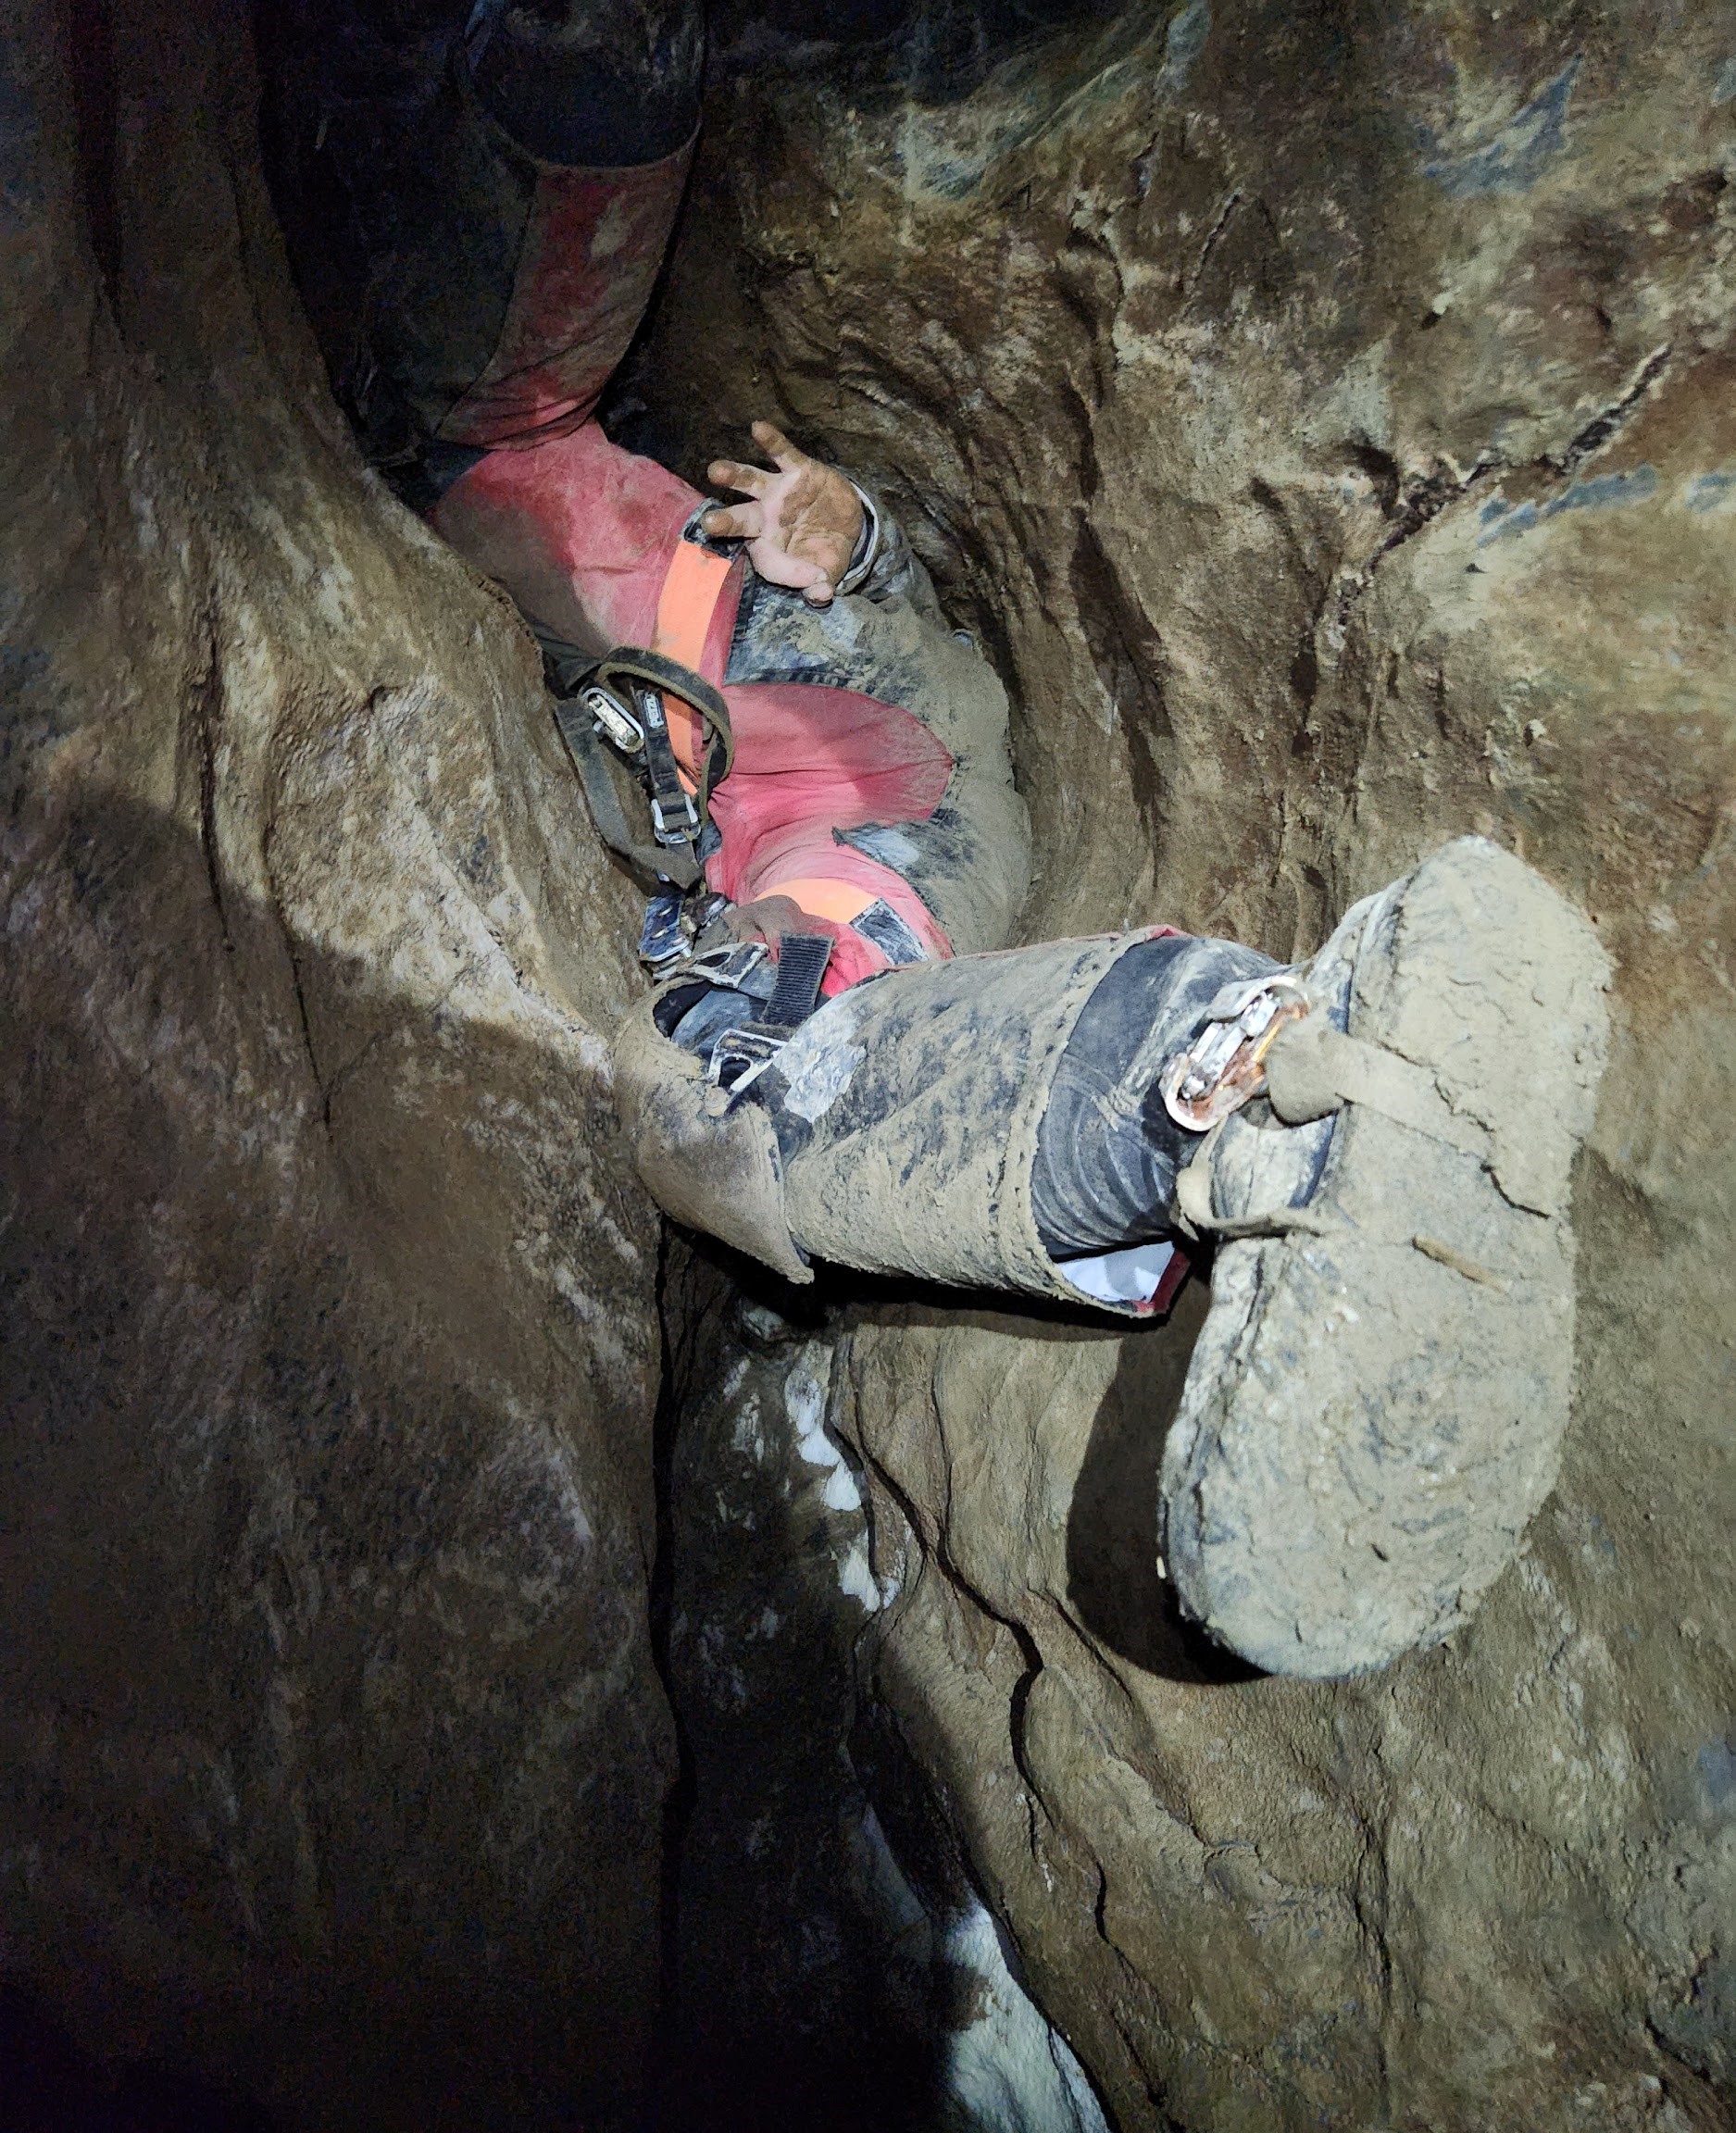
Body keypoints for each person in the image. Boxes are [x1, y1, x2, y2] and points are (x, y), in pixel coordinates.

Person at [263, 0, 1610, 1678]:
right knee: (496, 440)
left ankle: (1267, 1085)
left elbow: (868, 601)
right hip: (804, 735)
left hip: (849, 759)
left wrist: (856, 532)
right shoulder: (489, 466)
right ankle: (1254, 1069)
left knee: (722, 1087)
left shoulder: (552, 487)